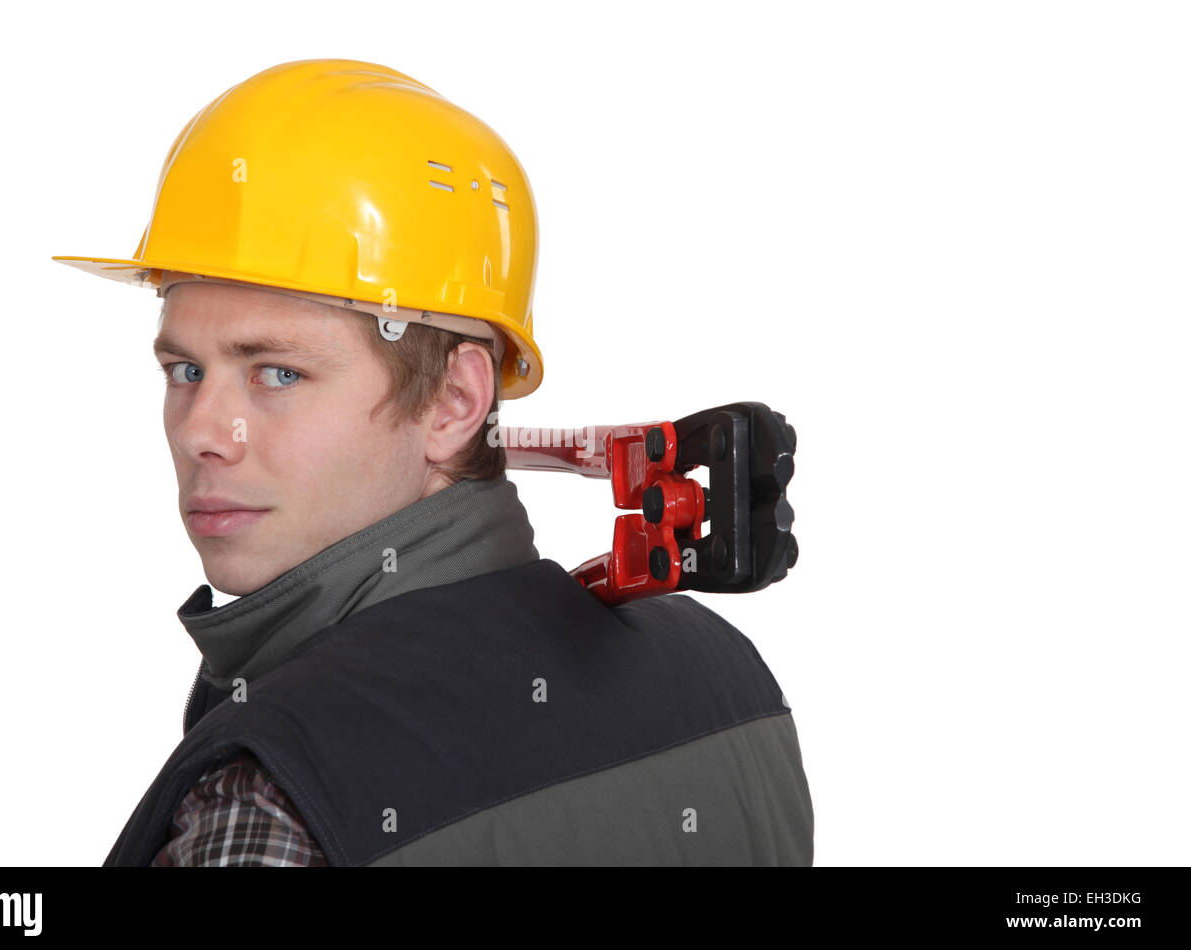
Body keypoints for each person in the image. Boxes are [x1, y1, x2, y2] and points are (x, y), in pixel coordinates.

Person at [53, 58, 814, 866]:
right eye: (185, 371)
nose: (203, 430)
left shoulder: (275, 794)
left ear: (454, 402)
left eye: (278, 373)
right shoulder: (729, 684)